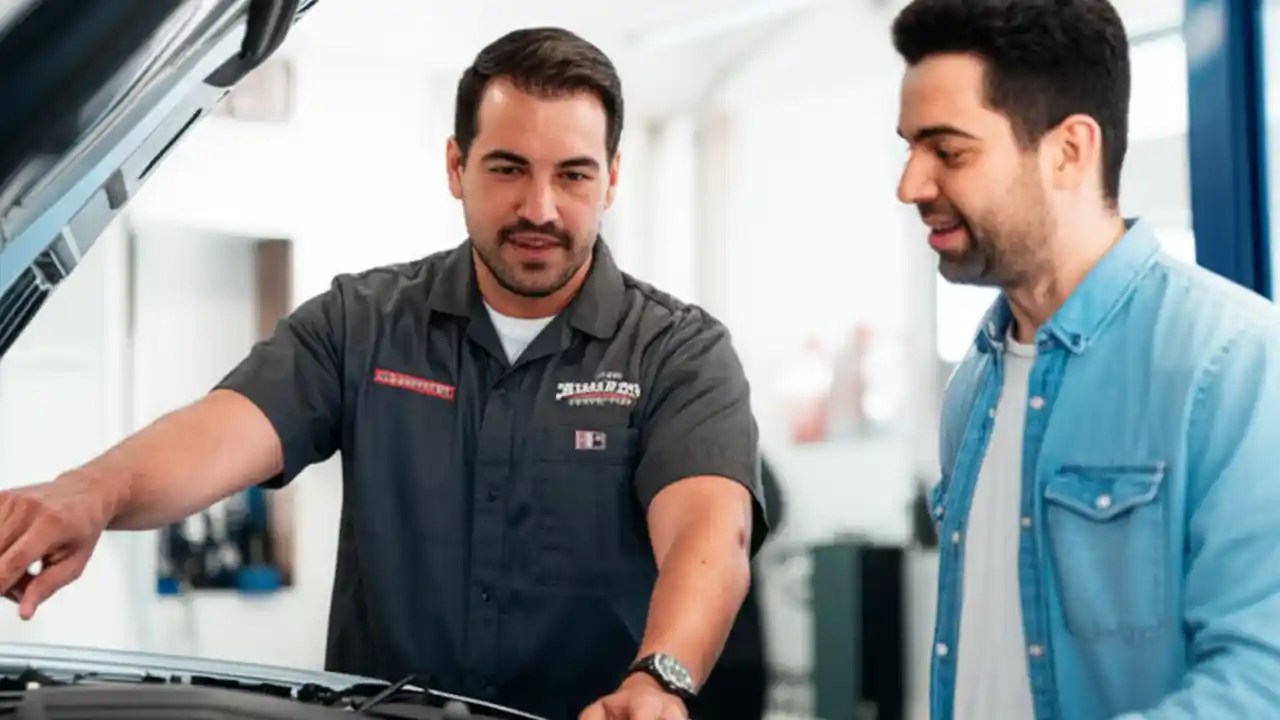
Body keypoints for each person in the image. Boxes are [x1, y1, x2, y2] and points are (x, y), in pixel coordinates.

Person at [0, 27, 768, 720]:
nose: (541, 206)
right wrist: (92, 491)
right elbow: (221, 431)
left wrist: (661, 678)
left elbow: (709, 533)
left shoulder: (677, 352)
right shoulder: (363, 324)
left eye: (572, 175)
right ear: (456, 166)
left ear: (611, 178)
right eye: (508, 168)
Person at [892, 1, 1280, 718]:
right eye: (910, 148)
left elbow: (1260, 686)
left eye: (949, 152)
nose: (911, 185)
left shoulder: (1236, 364)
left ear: (1069, 150)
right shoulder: (973, 384)